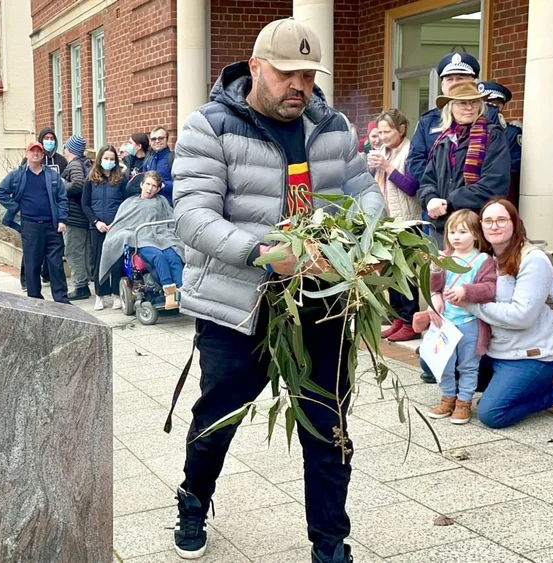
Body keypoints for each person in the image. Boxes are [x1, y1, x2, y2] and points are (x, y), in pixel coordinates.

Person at [171, 18, 383, 563]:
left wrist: (364, 238)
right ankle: (194, 499)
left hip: (321, 299)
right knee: (219, 415)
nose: (301, 87)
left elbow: (363, 190)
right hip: (239, 304)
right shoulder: (210, 125)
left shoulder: (331, 124)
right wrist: (264, 253)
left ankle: (331, 545)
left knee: (326, 422)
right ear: (257, 66)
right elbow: (193, 217)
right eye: (289, 74)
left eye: (310, 76)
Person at [465, 199, 553, 428]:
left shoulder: (533, 260)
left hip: (532, 355)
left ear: (515, 224)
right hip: (494, 350)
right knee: (436, 365)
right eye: (488, 221)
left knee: (492, 415)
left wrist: (470, 304)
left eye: (501, 220)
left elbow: (522, 316)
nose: (494, 226)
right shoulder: (483, 258)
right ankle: (507, 388)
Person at [418, 210, 496, 424]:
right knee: (443, 363)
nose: (456, 236)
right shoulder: (445, 257)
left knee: (469, 365)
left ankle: (464, 402)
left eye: (463, 231)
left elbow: (489, 288)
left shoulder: (483, 260)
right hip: (445, 323)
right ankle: (448, 397)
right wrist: (435, 270)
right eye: (452, 231)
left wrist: (467, 291)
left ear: (476, 235)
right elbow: (434, 287)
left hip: (470, 322)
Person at [417, 82, 510, 247]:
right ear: (450, 107)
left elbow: (494, 185)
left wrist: (449, 200)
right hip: (443, 228)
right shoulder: (444, 140)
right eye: (462, 102)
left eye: (474, 102)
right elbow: (427, 181)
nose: (469, 107)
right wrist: (430, 199)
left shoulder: (492, 135)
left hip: (475, 228)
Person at [406, 52, 509, 187]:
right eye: (449, 80)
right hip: (436, 197)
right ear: (442, 85)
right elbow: (415, 160)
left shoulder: (489, 115)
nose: (454, 84)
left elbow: (497, 166)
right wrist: (437, 188)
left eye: (460, 79)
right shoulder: (428, 120)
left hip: (476, 197)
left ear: (473, 83)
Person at [368, 109, 423, 342]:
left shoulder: (411, 151)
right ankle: (398, 318)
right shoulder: (382, 150)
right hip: (385, 221)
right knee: (390, 272)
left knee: (406, 273)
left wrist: (388, 168)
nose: (382, 136)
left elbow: (412, 186)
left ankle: (411, 322)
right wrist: (372, 168)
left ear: (401, 129)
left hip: (406, 220)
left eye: (387, 131)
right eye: (379, 132)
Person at [0, 141, 70, 303]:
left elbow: (62, 198)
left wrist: (62, 219)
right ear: (27, 154)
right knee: (32, 263)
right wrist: (15, 208)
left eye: (39, 151)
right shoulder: (17, 175)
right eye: (32, 151)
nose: (35, 154)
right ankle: (35, 299)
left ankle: (62, 299)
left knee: (56, 264)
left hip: (52, 225)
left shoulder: (52, 175)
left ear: (43, 155)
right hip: (30, 226)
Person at [99, 171, 185, 309]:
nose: (150, 188)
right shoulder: (129, 203)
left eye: (154, 186)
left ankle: (181, 291)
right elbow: (121, 223)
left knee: (174, 256)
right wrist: (126, 235)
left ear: (157, 189)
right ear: (141, 184)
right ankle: (169, 293)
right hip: (141, 238)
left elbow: (171, 219)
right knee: (158, 257)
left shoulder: (161, 201)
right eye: (148, 184)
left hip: (162, 236)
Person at [83, 145, 128, 311]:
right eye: (105, 158)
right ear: (99, 159)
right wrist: (96, 222)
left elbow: (125, 203)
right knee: (98, 260)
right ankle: (100, 295)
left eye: (111, 159)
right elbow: (85, 205)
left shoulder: (121, 179)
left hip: (116, 226)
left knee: (117, 261)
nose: (108, 161)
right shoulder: (90, 180)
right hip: (97, 227)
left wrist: (117, 222)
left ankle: (116, 294)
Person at [479, 81, 522, 207]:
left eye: (491, 103)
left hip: (497, 197)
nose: (487, 107)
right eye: (482, 102)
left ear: (501, 106)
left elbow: (513, 170)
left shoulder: (511, 133)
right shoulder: (464, 129)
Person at [62, 134, 93, 301]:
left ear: (71, 149)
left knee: (74, 252)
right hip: (82, 216)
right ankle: (84, 282)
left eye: (66, 147)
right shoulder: (84, 163)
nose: (64, 150)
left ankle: (81, 286)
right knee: (83, 251)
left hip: (73, 217)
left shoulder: (74, 164)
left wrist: (61, 183)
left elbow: (78, 184)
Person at [142, 126, 175, 204]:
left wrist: (163, 185)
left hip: (168, 206)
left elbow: (181, 183)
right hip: (149, 205)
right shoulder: (148, 160)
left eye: (160, 138)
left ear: (167, 139)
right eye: (153, 139)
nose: (157, 141)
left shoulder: (174, 158)